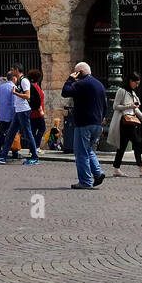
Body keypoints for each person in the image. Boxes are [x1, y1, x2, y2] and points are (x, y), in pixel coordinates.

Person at [62, 61, 106, 189]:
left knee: (80, 152)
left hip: (84, 123)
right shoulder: (99, 84)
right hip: (97, 124)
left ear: (79, 72)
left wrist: (70, 79)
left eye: (76, 72)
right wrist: (101, 118)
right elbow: (104, 104)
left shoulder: (81, 84)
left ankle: (85, 181)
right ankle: (97, 173)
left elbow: (65, 92)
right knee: (87, 149)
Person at [0, 64, 40, 165]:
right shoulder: (19, 80)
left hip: (23, 110)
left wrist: (15, 93)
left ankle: (35, 156)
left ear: (17, 70)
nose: (11, 71)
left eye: (12, 69)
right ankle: (3, 156)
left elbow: (27, 96)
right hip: (19, 110)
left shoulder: (24, 81)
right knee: (10, 133)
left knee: (28, 133)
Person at [109, 71, 142, 177]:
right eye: (136, 83)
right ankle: (141, 168)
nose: (137, 86)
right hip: (124, 122)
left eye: (138, 83)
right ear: (130, 81)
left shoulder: (132, 93)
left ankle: (116, 168)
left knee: (122, 146)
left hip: (131, 121)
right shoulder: (121, 91)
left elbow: (136, 110)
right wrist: (129, 106)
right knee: (137, 142)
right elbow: (115, 106)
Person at [0, 70, 17, 161]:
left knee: (1, 133)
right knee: (12, 134)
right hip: (11, 114)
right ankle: (14, 151)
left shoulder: (1, 87)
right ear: (14, 78)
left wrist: (2, 104)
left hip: (2, 114)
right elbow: (14, 103)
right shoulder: (14, 87)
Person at [28, 69, 46, 155]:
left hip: (32, 112)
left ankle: (32, 148)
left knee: (33, 130)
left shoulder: (30, 86)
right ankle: (36, 146)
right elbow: (37, 100)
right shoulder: (36, 87)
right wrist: (41, 111)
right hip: (37, 112)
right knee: (42, 128)